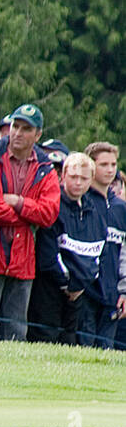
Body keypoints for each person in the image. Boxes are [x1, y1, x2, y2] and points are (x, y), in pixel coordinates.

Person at [0, 104, 60, 342]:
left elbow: (49, 214)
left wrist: (18, 202)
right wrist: (28, 215)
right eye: (15, 126)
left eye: (26, 128)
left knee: (16, 331)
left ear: (38, 135)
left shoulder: (46, 168)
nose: (17, 132)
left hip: (23, 258)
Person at [28, 153, 104, 346]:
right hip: (50, 287)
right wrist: (67, 284)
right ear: (63, 177)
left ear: (91, 180)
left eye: (84, 178)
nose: (78, 182)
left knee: (69, 341)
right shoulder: (54, 206)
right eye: (73, 176)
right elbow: (48, 255)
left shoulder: (94, 213)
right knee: (45, 338)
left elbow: (96, 254)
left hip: (79, 292)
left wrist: (79, 285)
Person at [79, 142, 126, 349]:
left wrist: (124, 291)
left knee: (105, 351)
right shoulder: (81, 201)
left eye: (113, 164)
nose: (110, 170)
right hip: (85, 291)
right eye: (103, 164)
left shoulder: (121, 208)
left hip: (112, 294)